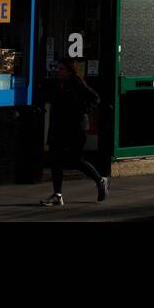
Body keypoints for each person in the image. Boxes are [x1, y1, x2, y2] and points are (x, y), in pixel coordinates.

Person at [41, 58, 109, 205]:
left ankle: (100, 180)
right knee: (56, 160)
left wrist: (82, 110)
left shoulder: (77, 83)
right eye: (58, 69)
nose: (58, 71)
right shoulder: (58, 84)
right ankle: (57, 195)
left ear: (69, 70)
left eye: (61, 69)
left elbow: (95, 98)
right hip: (59, 128)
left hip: (76, 128)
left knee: (76, 160)